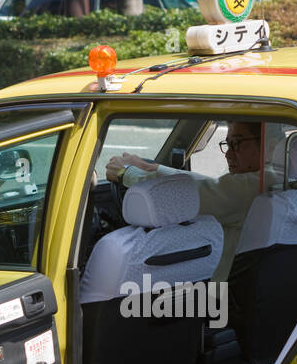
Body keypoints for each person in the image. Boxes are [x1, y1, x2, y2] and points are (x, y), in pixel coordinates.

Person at [105, 120, 277, 283]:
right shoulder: (279, 179)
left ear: (268, 145)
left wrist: (125, 174)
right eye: (227, 144)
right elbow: (212, 186)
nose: (229, 154)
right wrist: (153, 168)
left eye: (237, 144)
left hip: (224, 297)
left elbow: (191, 195)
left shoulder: (259, 185)